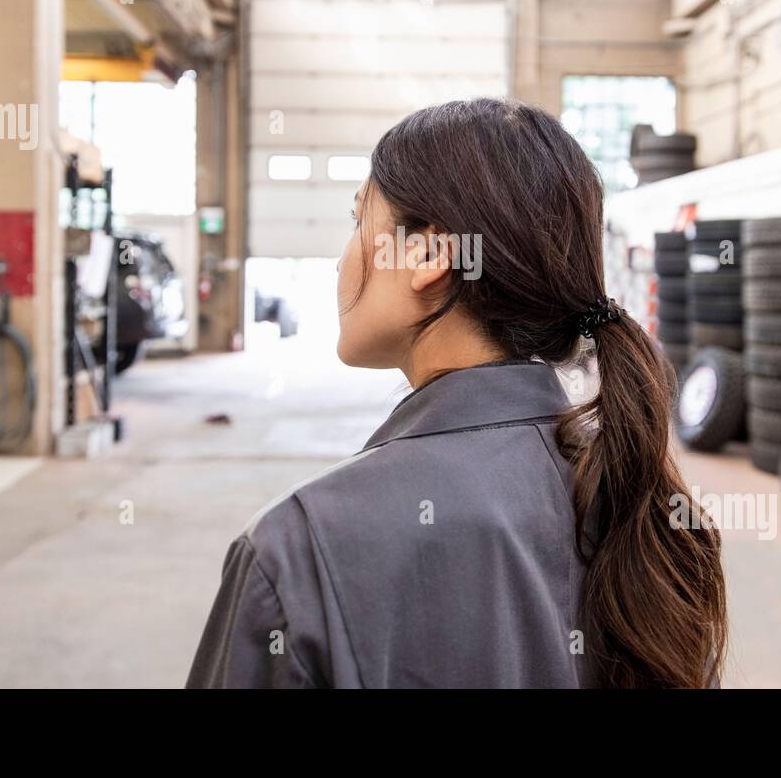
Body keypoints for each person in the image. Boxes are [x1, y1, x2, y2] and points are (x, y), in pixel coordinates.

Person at [186, 98, 726, 688]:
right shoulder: (644, 505)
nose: (341, 260)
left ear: (428, 255)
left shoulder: (299, 550)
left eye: (357, 218)